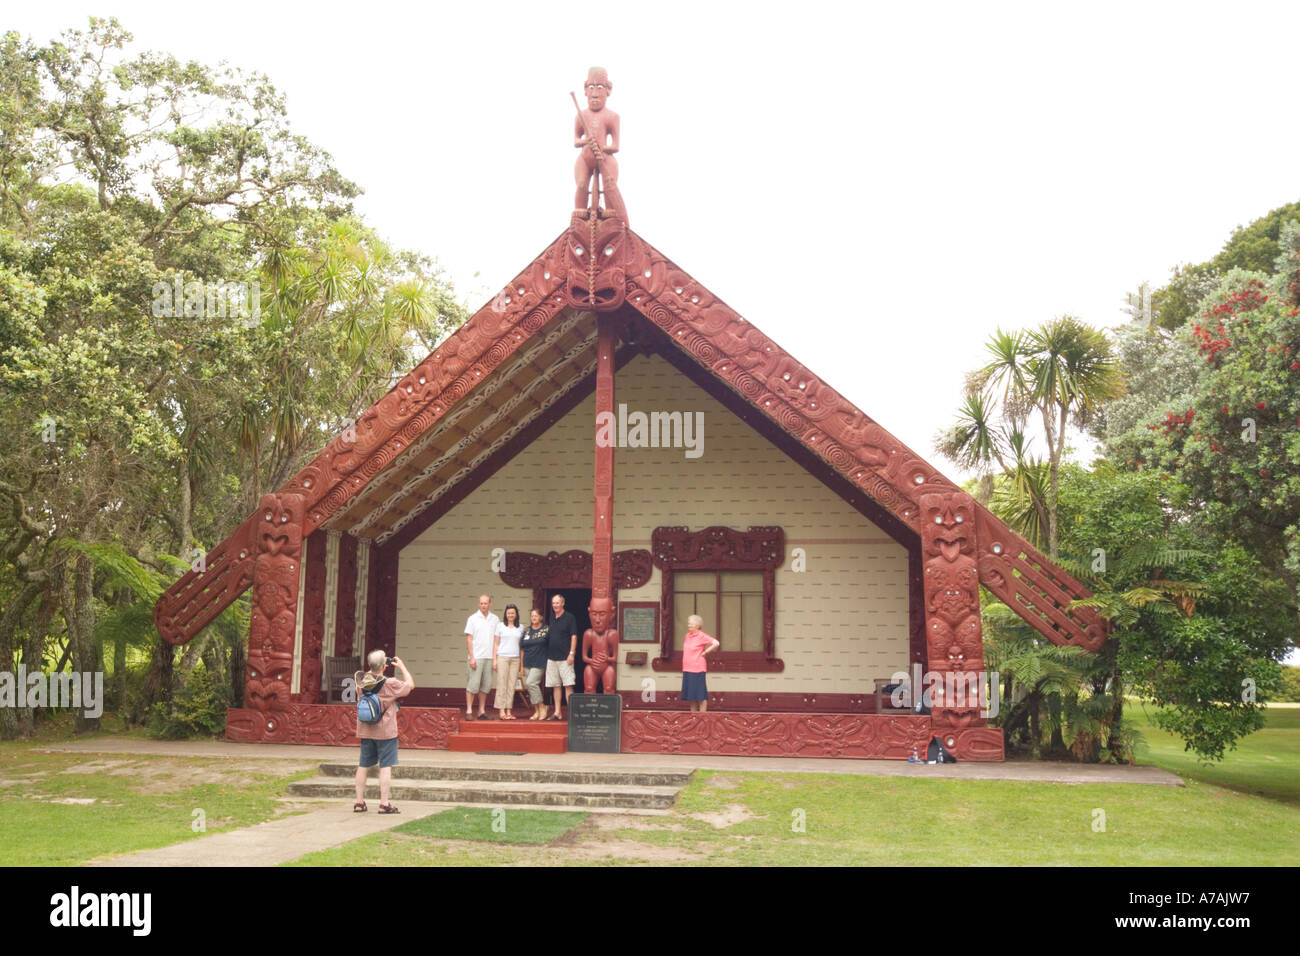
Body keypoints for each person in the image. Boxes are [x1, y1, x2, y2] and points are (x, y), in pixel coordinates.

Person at [354, 650, 413, 814]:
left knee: (363, 765)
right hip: (386, 731)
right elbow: (410, 686)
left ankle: (359, 802)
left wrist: (374, 667)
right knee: (385, 766)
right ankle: (384, 803)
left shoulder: (361, 681)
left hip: (366, 729)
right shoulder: (390, 683)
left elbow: (369, 677)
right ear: (385, 666)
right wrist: (402, 667)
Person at [464, 594, 499, 720]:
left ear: (490, 604)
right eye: (482, 603)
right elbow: (469, 639)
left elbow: (496, 640)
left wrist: (495, 658)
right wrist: (472, 657)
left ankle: (481, 711)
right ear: (479, 604)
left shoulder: (495, 619)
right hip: (477, 656)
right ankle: (469, 710)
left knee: (486, 685)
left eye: (486, 603)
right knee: (473, 684)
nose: (484, 605)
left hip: (489, 656)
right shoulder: (472, 619)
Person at [545, 593, 579, 720]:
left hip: (566, 658)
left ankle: (571, 714)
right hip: (552, 657)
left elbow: (574, 636)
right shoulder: (551, 617)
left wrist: (572, 653)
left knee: (568, 685)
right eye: (553, 603)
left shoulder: (570, 618)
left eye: (557, 603)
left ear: (562, 603)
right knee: (556, 685)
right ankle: (557, 712)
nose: (555, 605)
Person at [680, 615, 719, 713]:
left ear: (697, 625)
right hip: (687, 668)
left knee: (700, 695)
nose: (688, 625)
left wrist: (706, 652)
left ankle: (702, 718)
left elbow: (716, 643)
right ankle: (693, 719)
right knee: (691, 696)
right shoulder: (687, 635)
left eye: (691, 623)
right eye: (688, 623)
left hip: (697, 669)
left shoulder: (701, 636)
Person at [493, 604, 524, 720]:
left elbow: (521, 647)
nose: (510, 615)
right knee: (502, 684)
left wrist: (521, 663)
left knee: (511, 685)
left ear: (516, 615)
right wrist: (495, 659)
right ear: (506, 614)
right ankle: (501, 710)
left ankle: (509, 710)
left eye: (513, 613)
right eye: (508, 613)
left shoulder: (520, 628)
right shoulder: (500, 626)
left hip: (515, 659)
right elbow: (496, 644)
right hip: (503, 657)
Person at [520, 609, 550, 720]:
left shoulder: (546, 629)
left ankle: (542, 707)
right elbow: (522, 649)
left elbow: (552, 644)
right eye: (532, 616)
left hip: (540, 661)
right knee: (529, 685)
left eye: (536, 616)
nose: (533, 618)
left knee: (531, 683)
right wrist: (521, 666)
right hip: (527, 662)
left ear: (541, 617)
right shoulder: (526, 630)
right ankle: (536, 711)